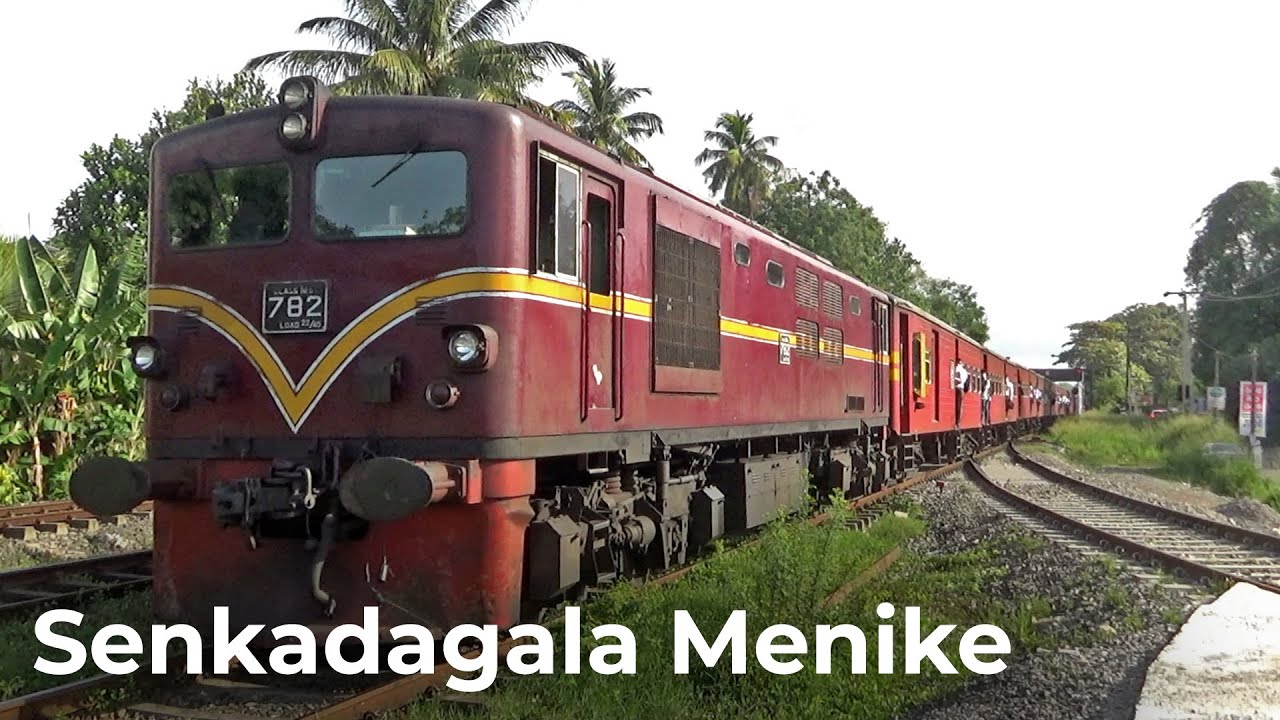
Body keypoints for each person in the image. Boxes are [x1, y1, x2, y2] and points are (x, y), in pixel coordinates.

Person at [953, 361, 968, 429]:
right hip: (961, 389)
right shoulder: (965, 371)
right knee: (960, 406)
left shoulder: (956, 368)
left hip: (956, 388)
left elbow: (959, 380)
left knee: (956, 406)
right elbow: (965, 382)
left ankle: (956, 422)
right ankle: (958, 422)